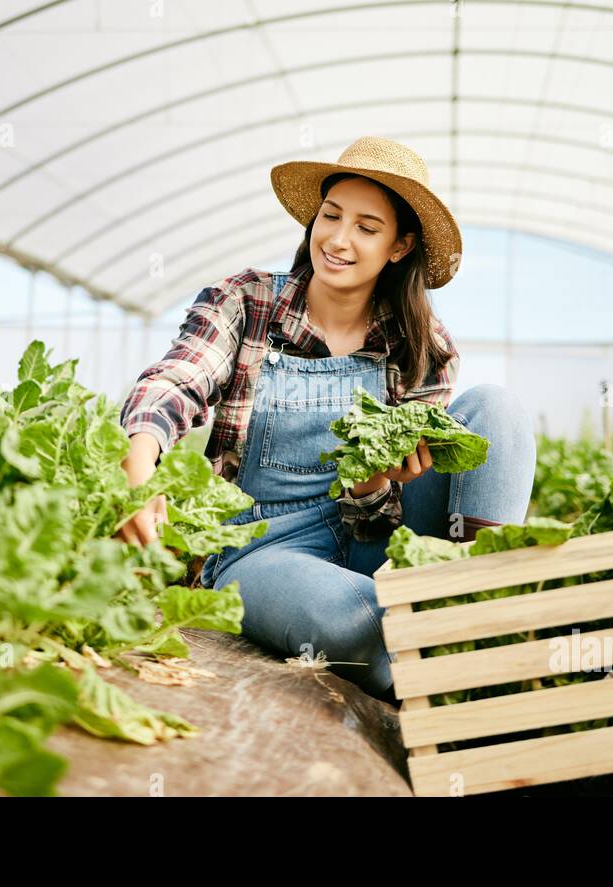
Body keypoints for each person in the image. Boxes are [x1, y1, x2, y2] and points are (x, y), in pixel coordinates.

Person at [116, 136, 536, 701]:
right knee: (362, 623)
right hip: (262, 548)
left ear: (399, 246)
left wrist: (374, 483)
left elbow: (387, 513)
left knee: (496, 409)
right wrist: (139, 458)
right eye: (330, 216)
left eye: (366, 227)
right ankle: (482, 671)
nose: (338, 239)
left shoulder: (421, 345)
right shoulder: (247, 302)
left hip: (378, 537)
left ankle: (493, 597)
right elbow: (177, 379)